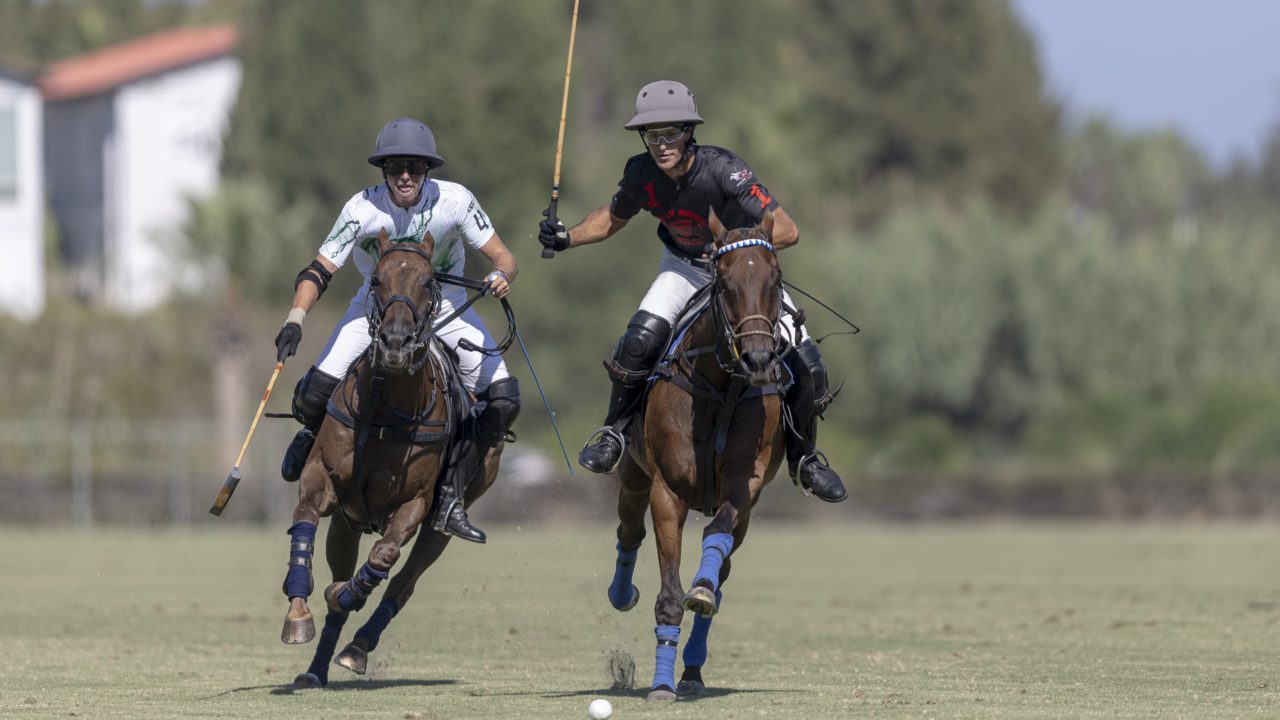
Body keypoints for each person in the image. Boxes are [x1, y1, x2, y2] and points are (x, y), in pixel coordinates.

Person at [537, 80, 846, 503]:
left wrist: (737, 252)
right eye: (652, 135)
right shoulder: (641, 173)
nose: (661, 145)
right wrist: (567, 237)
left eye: (671, 134)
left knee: (808, 360)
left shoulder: (724, 170)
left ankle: (805, 458)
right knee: (640, 337)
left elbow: (787, 229)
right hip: (683, 268)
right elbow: (613, 217)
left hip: (742, 276)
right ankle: (614, 431)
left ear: (689, 132)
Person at [275, 117, 521, 543]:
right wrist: (295, 318)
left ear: (428, 170)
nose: (405, 175)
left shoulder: (455, 201)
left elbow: (504, 256)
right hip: (377, 306)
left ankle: (449, 496)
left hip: (443, 305)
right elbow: (320, 268)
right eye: (394, 167)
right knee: (313, 392)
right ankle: (311, 440)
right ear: (383, 171)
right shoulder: (361, 210)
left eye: (415, 166)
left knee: (503, 401)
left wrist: (502, 274)